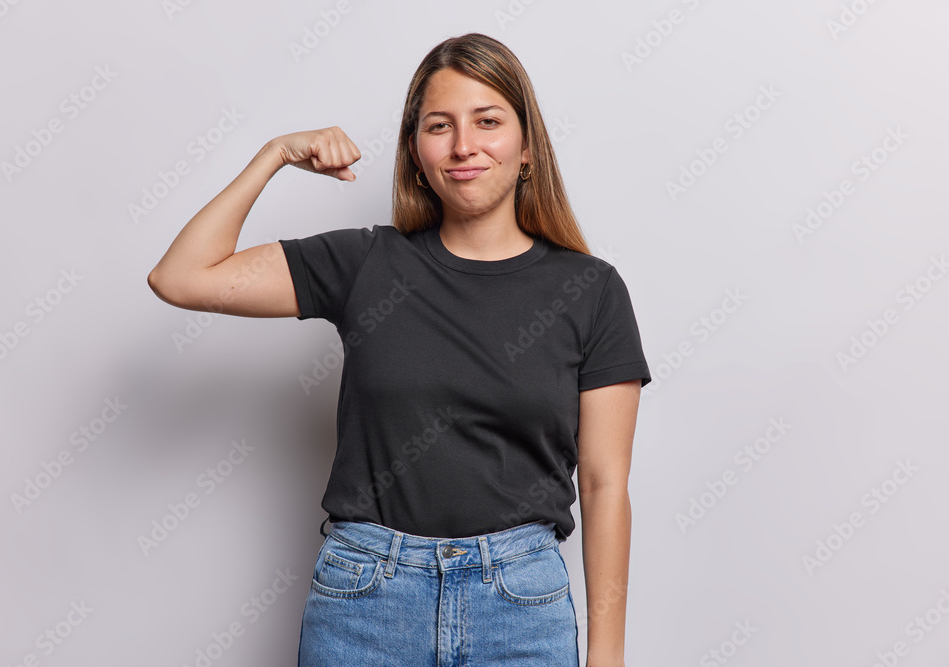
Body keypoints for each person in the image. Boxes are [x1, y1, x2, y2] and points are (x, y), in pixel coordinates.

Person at [148, 32, 650, 667]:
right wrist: (273, 155)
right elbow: (181, 277)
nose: (463, 145)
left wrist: (608, 656)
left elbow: (605, 484)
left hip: (520, 608)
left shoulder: (591, 290)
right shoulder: (365, 263)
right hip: (365, 602)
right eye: (439, 126)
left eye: (488, 121)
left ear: (527, 147)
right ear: (416, 152)